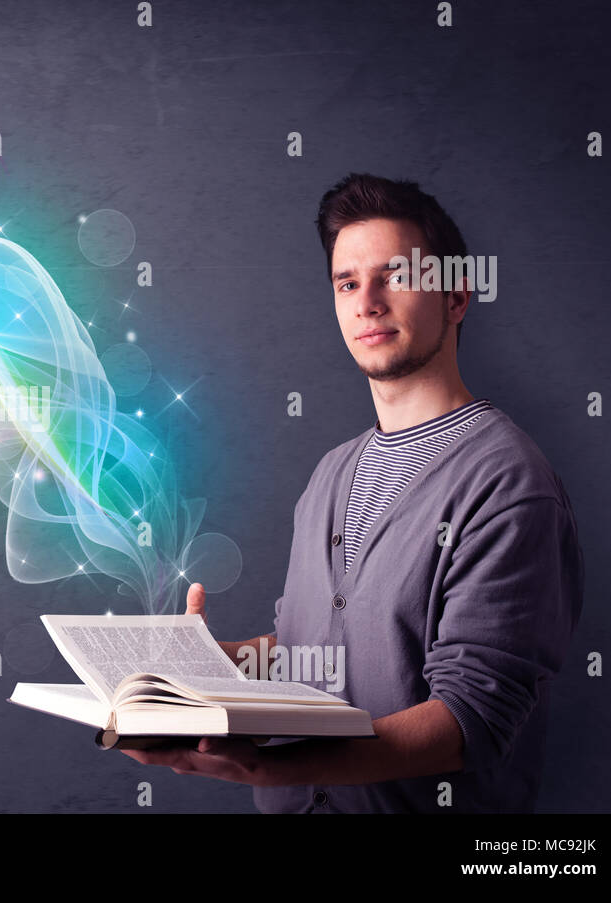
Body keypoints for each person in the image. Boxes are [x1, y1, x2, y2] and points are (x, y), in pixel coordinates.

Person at [122, 173, 584, 813]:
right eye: (347, 283)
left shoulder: (508, 484)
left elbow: (471, 717)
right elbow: (312, 654)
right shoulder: (329, 475)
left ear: (456, 297)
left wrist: (268, 766)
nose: (367, 301)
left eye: (395, 276)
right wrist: (204, 666)